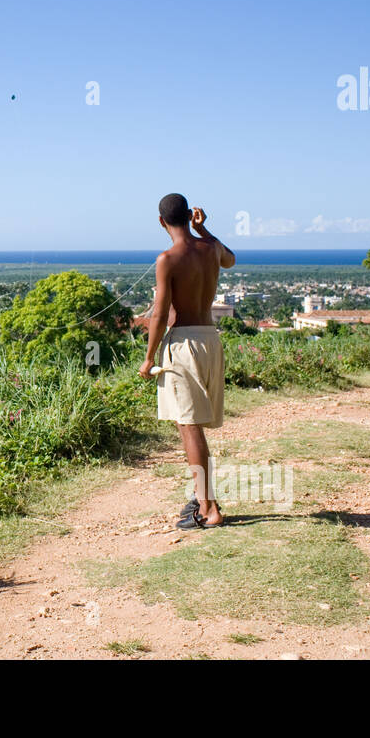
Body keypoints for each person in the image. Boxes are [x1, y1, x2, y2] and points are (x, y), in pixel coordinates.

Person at [132, 194, 236, 529]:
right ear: (191, 215)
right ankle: (202, 496)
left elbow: (160, 313)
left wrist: (149, 358)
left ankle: (209, 508)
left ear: (161, 222)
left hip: (183, 345)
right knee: (192, 425)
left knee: (189, 426)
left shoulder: (167, 258)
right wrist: (205, 231)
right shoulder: (210, 248)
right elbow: (230, 260)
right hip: (210, 339)